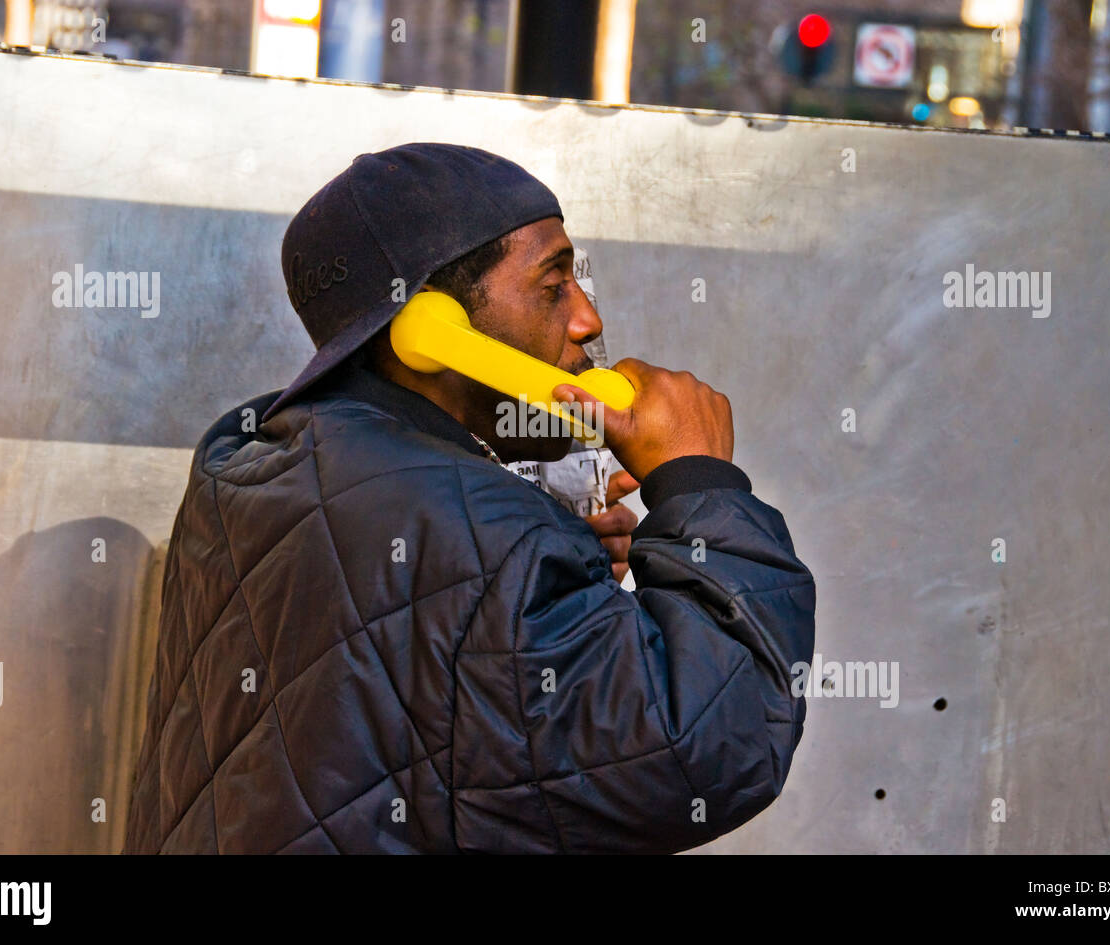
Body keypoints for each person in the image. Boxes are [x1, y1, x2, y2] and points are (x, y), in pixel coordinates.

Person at [123, 142, 816, 854]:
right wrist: (696, 479)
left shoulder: (252, 469)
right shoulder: (478, 538)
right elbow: (711, 746)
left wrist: (559, 587)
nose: (588, 321)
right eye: (554, 285)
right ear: (429, 334)